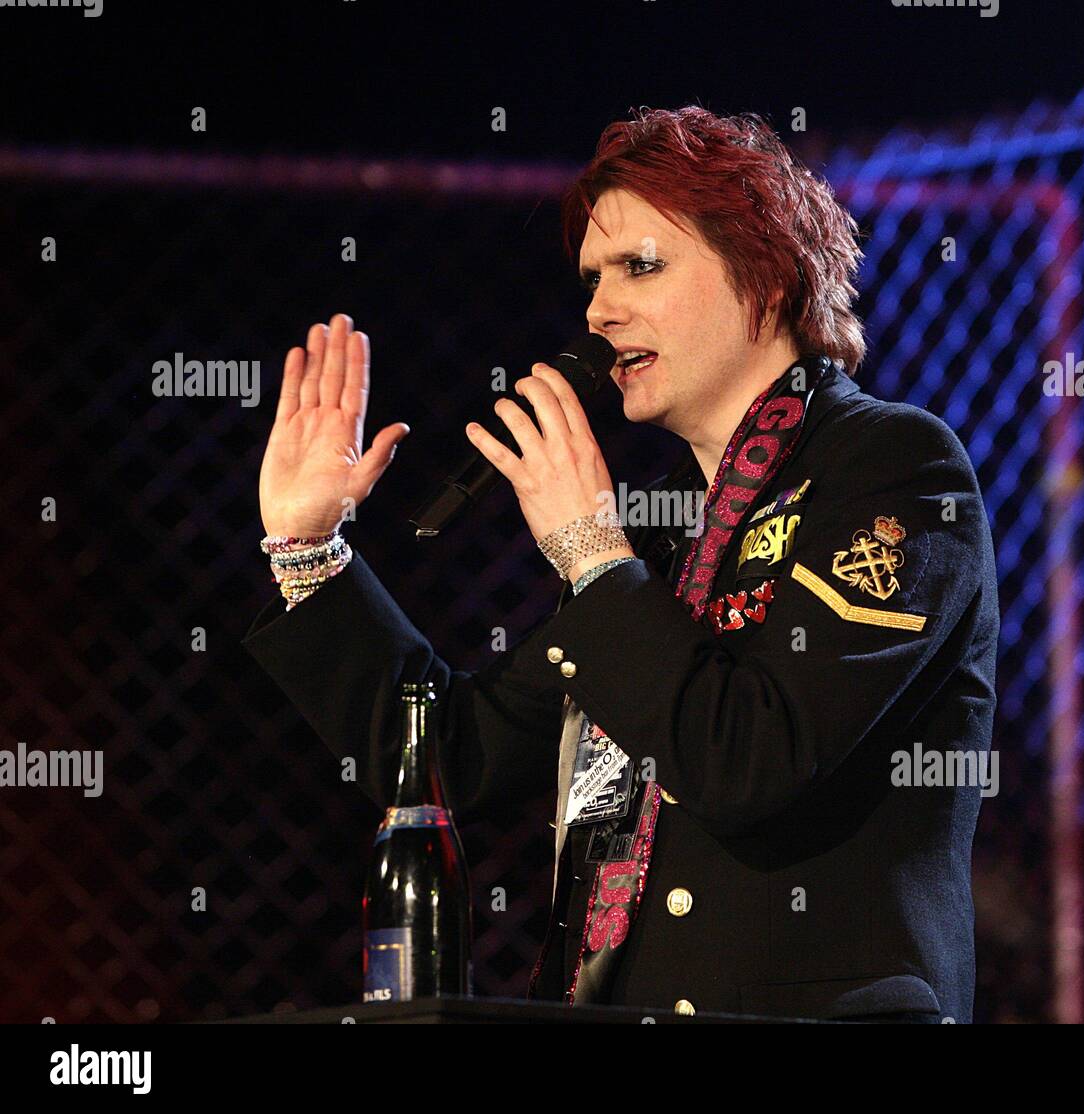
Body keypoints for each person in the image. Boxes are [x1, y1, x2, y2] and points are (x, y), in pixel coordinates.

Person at [244, 106, 999, 1023]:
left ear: (763, 273)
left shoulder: (892, 467)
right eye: (593, 279)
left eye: (640, 266)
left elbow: (750, 760)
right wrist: (309, 551)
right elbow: (451, 759)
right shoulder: (674, 556)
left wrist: (594, 554)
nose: (600, 310)